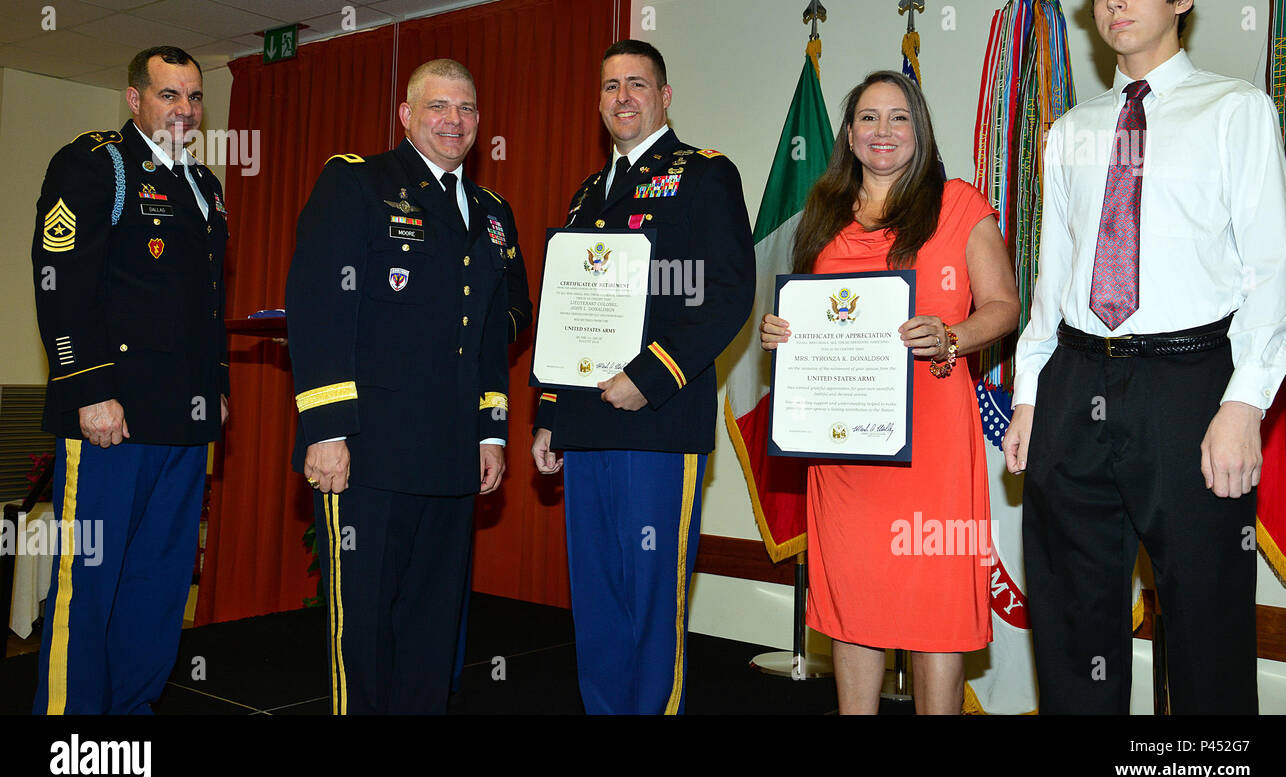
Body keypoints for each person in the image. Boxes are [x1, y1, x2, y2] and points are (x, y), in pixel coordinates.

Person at [1003, 0, 1286, 713]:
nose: (1116, 2)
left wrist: (1244, 403)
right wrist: (1030, 395)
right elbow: (1052, 278)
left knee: (1205, 614)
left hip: (1190, 382)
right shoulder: (1069, 131)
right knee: (1071, 613)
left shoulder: (1237, 111)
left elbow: (1274, 270)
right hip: (1073, 376)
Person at [761, 70, 1020, 715]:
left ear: (920, 130)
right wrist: (782, 332)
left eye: (899, 117)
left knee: (937, 601)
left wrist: (952, 336)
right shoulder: (822, 215)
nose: (883, 131)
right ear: (848, 135)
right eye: (868, 118)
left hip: (932, 440)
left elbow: (1005, 306)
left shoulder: (959, 205)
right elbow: (814, 312)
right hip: (845, 446)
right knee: (855, 601)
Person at [530, 39, 755, 714]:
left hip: (657, 418)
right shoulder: (584, 196)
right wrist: (550, 413)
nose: (623, 96)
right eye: (610, 86)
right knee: (596, 595)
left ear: (663, 96)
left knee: (652, 595)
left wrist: (648, 378)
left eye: (637, 83)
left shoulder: (704, 175)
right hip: (587, 423)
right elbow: (567, 315)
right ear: (599, 103)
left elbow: (727, 293)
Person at [286, 58, 513, 714]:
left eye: (466, 108)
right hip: (367, 457)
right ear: (407, 115)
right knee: (360, 630)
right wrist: (327, 433)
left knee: (431, 630)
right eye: (437, 107)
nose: (454, 120)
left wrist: (490, 433)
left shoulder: (493, 214)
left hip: (450, 459)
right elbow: (318, 307)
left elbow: (490, 337)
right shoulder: (358, 183)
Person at [31, 45, 229, 714]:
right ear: (134, 99)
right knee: (87, 583)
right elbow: (58, 282)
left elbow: (206, 301)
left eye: (194, 96)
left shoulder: (203, 187)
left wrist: (217, 385)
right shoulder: (96, 165)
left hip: (182, 420)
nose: (184, 108)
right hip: (110, 419)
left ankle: (129, 721)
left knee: (159, 583)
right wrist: (86, 387)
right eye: (169, 94)